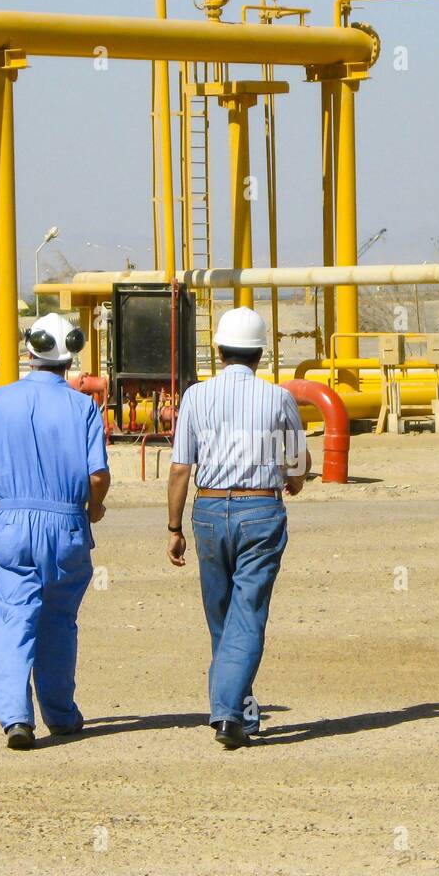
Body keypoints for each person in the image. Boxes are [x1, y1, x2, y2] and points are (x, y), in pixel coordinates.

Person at [0, 313, 110, 750]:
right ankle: (61, 715)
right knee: (59, 622)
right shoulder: (83, 407)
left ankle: (16, 718)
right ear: (70, 359)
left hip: (12, 525)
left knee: (13, 617)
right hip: (67, 526)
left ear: (30, 353)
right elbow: (97, 477)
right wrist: (92, 509)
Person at [166, 306, 310, 750]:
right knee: (247, 615)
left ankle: (238, 710)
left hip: (207, 510)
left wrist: (174, 527)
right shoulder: (279, 398)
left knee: (221, 617)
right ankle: (230, 713)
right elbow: (298, 467)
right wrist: (293, 480)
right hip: (260, 512)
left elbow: (179, 469)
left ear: (219, 350)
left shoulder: (195, 397)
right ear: (261, 353)